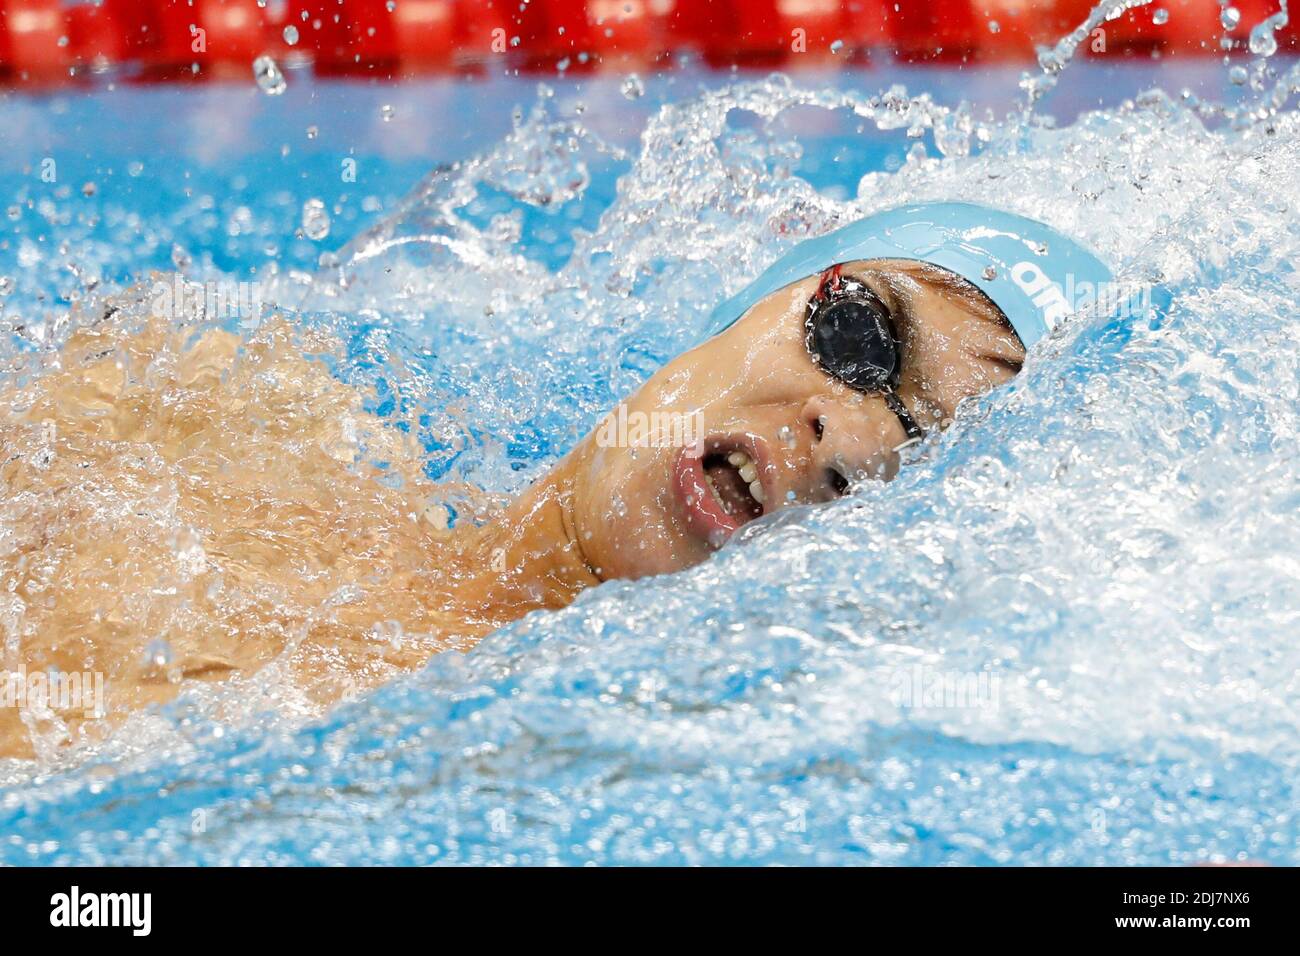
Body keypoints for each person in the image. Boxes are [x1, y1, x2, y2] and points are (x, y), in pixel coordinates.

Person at [0, 202, 1112, 758]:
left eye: (917, 460)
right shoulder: (223, 410)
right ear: (760, 291)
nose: (849, 436)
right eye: (863, 336)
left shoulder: (498, 770)